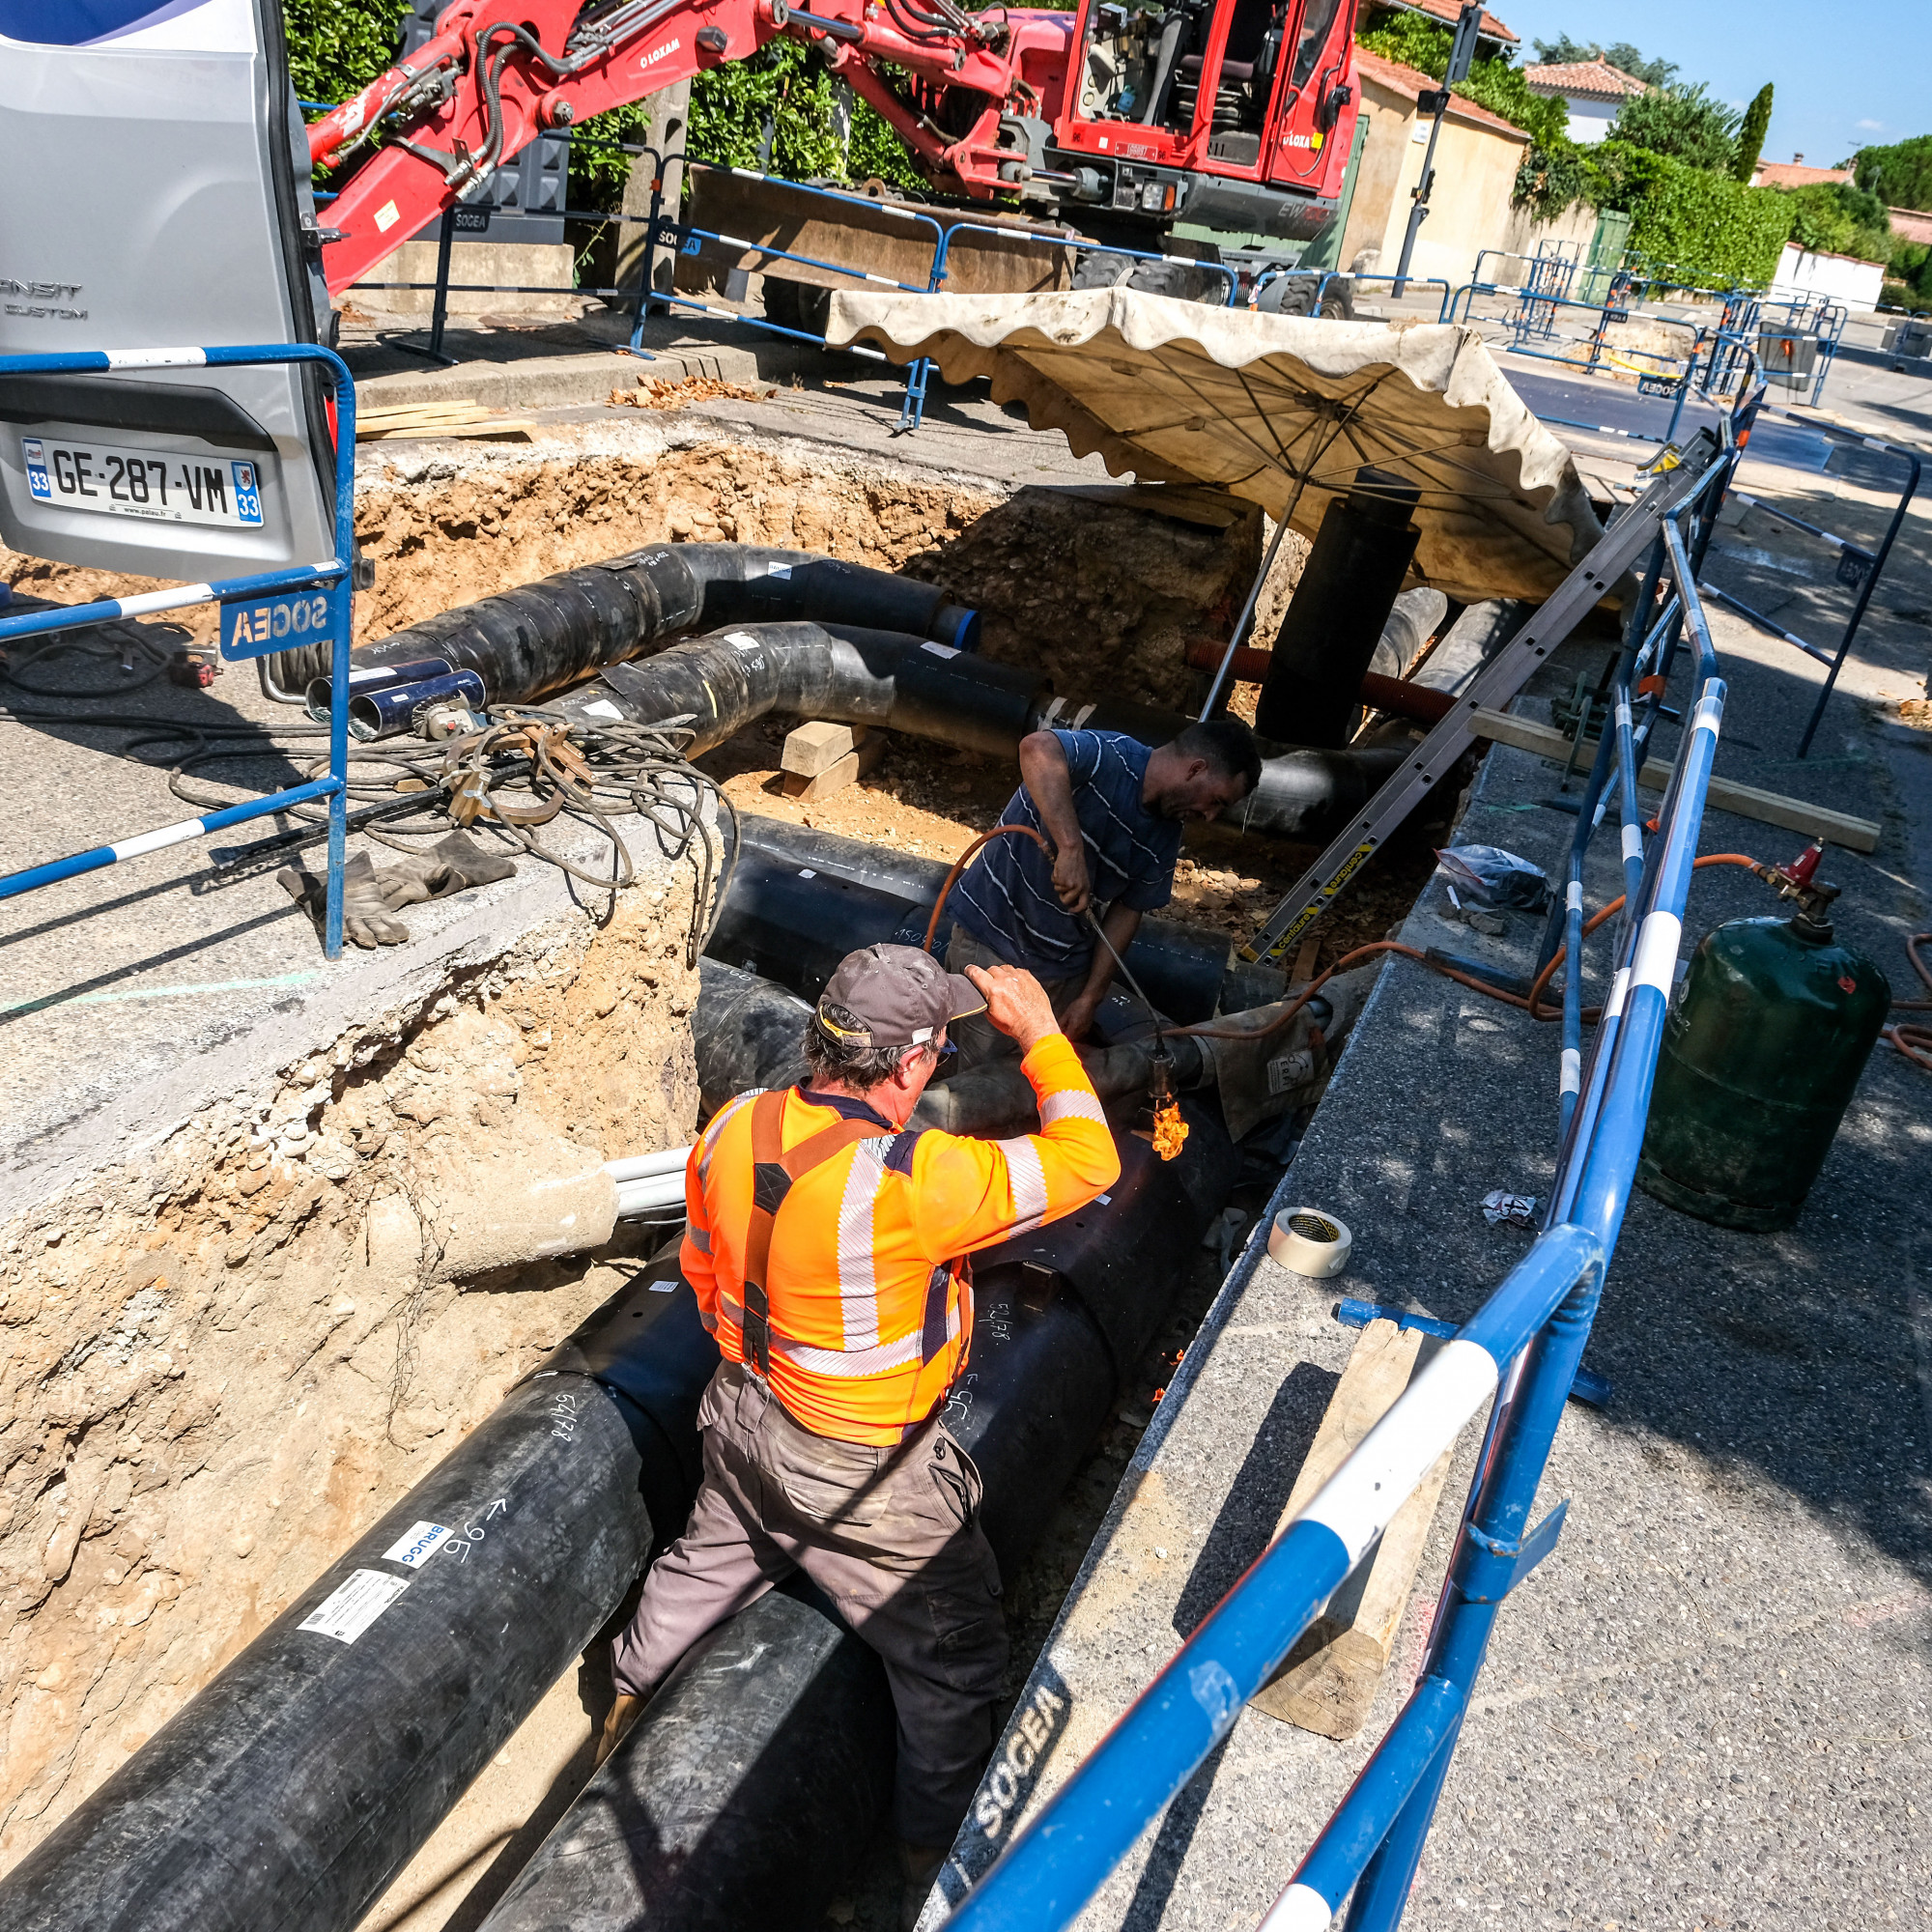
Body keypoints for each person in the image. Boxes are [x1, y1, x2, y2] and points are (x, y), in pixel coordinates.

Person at [601, 942, 1119, 1924]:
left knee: (710, 1557)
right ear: (917, 1064)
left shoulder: (734, 1123)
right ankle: (928, 1854)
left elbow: (704, 1275)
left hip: (743, 1412)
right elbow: (1089, 1160)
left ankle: (625, 1696)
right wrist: (1044, 1035)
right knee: (953, 1658)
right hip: (862, 1480)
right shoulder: (913, 1178)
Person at [945, 718, 1262, 1063]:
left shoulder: (1165, 836)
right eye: (1216, 800)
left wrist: (1090, 998)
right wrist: (1070, 848)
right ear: (1196, 769)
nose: (1211, 816)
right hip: (993, 948)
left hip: (1065, 974)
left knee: (1039, 1082)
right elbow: (1036, 748)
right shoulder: (1109, 756)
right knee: (982, 1084)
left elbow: (1128, 911)